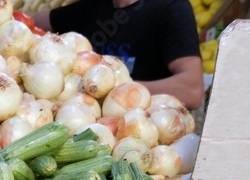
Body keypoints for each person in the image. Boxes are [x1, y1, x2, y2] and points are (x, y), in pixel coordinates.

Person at [31, 0, 205, 110]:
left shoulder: (172, 8)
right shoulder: (92, 8)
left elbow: (192, 91)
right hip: (93, 134)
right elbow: (29, 20)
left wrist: (118, 91)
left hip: (142, 138)